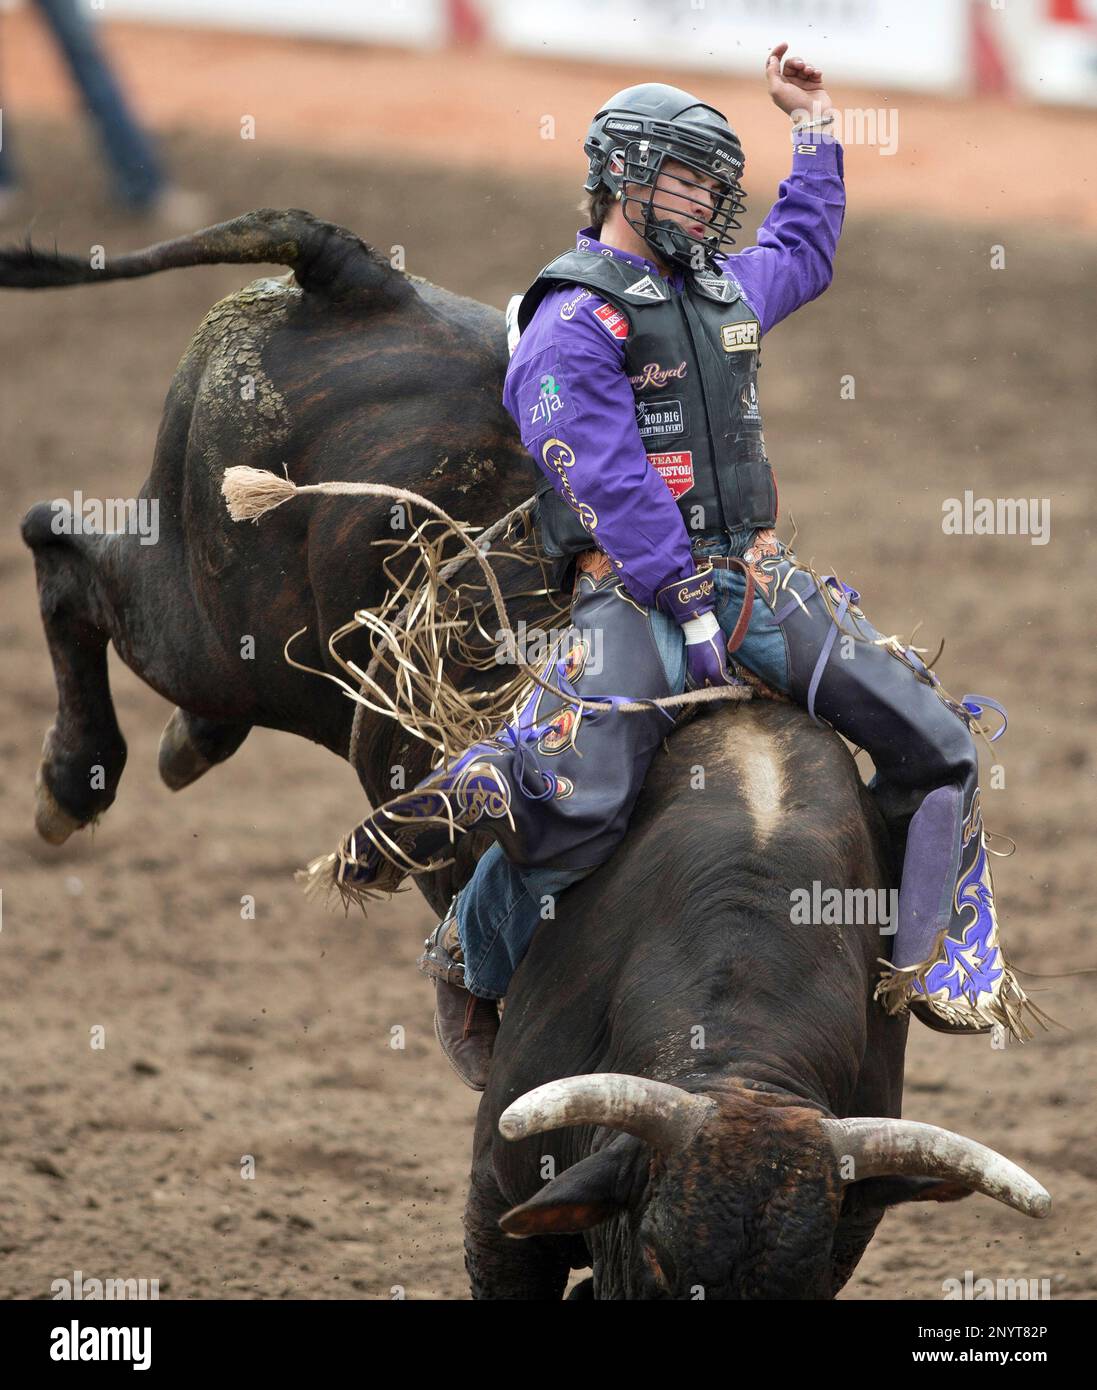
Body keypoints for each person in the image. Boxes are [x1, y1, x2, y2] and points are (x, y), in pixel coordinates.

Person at [329, 45, 1038, 1089]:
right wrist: (684, 604)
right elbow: (611, 484)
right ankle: (471, 939)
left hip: (755, 583)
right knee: (584, 792)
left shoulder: (718, 291)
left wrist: (812, 126)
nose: (711, 202)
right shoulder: (571, 322)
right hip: (637, 593)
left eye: (718, 184)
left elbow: (803, 247)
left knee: (936, 747)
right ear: (622, 180)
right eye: (689, 180)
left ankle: (916, 970)